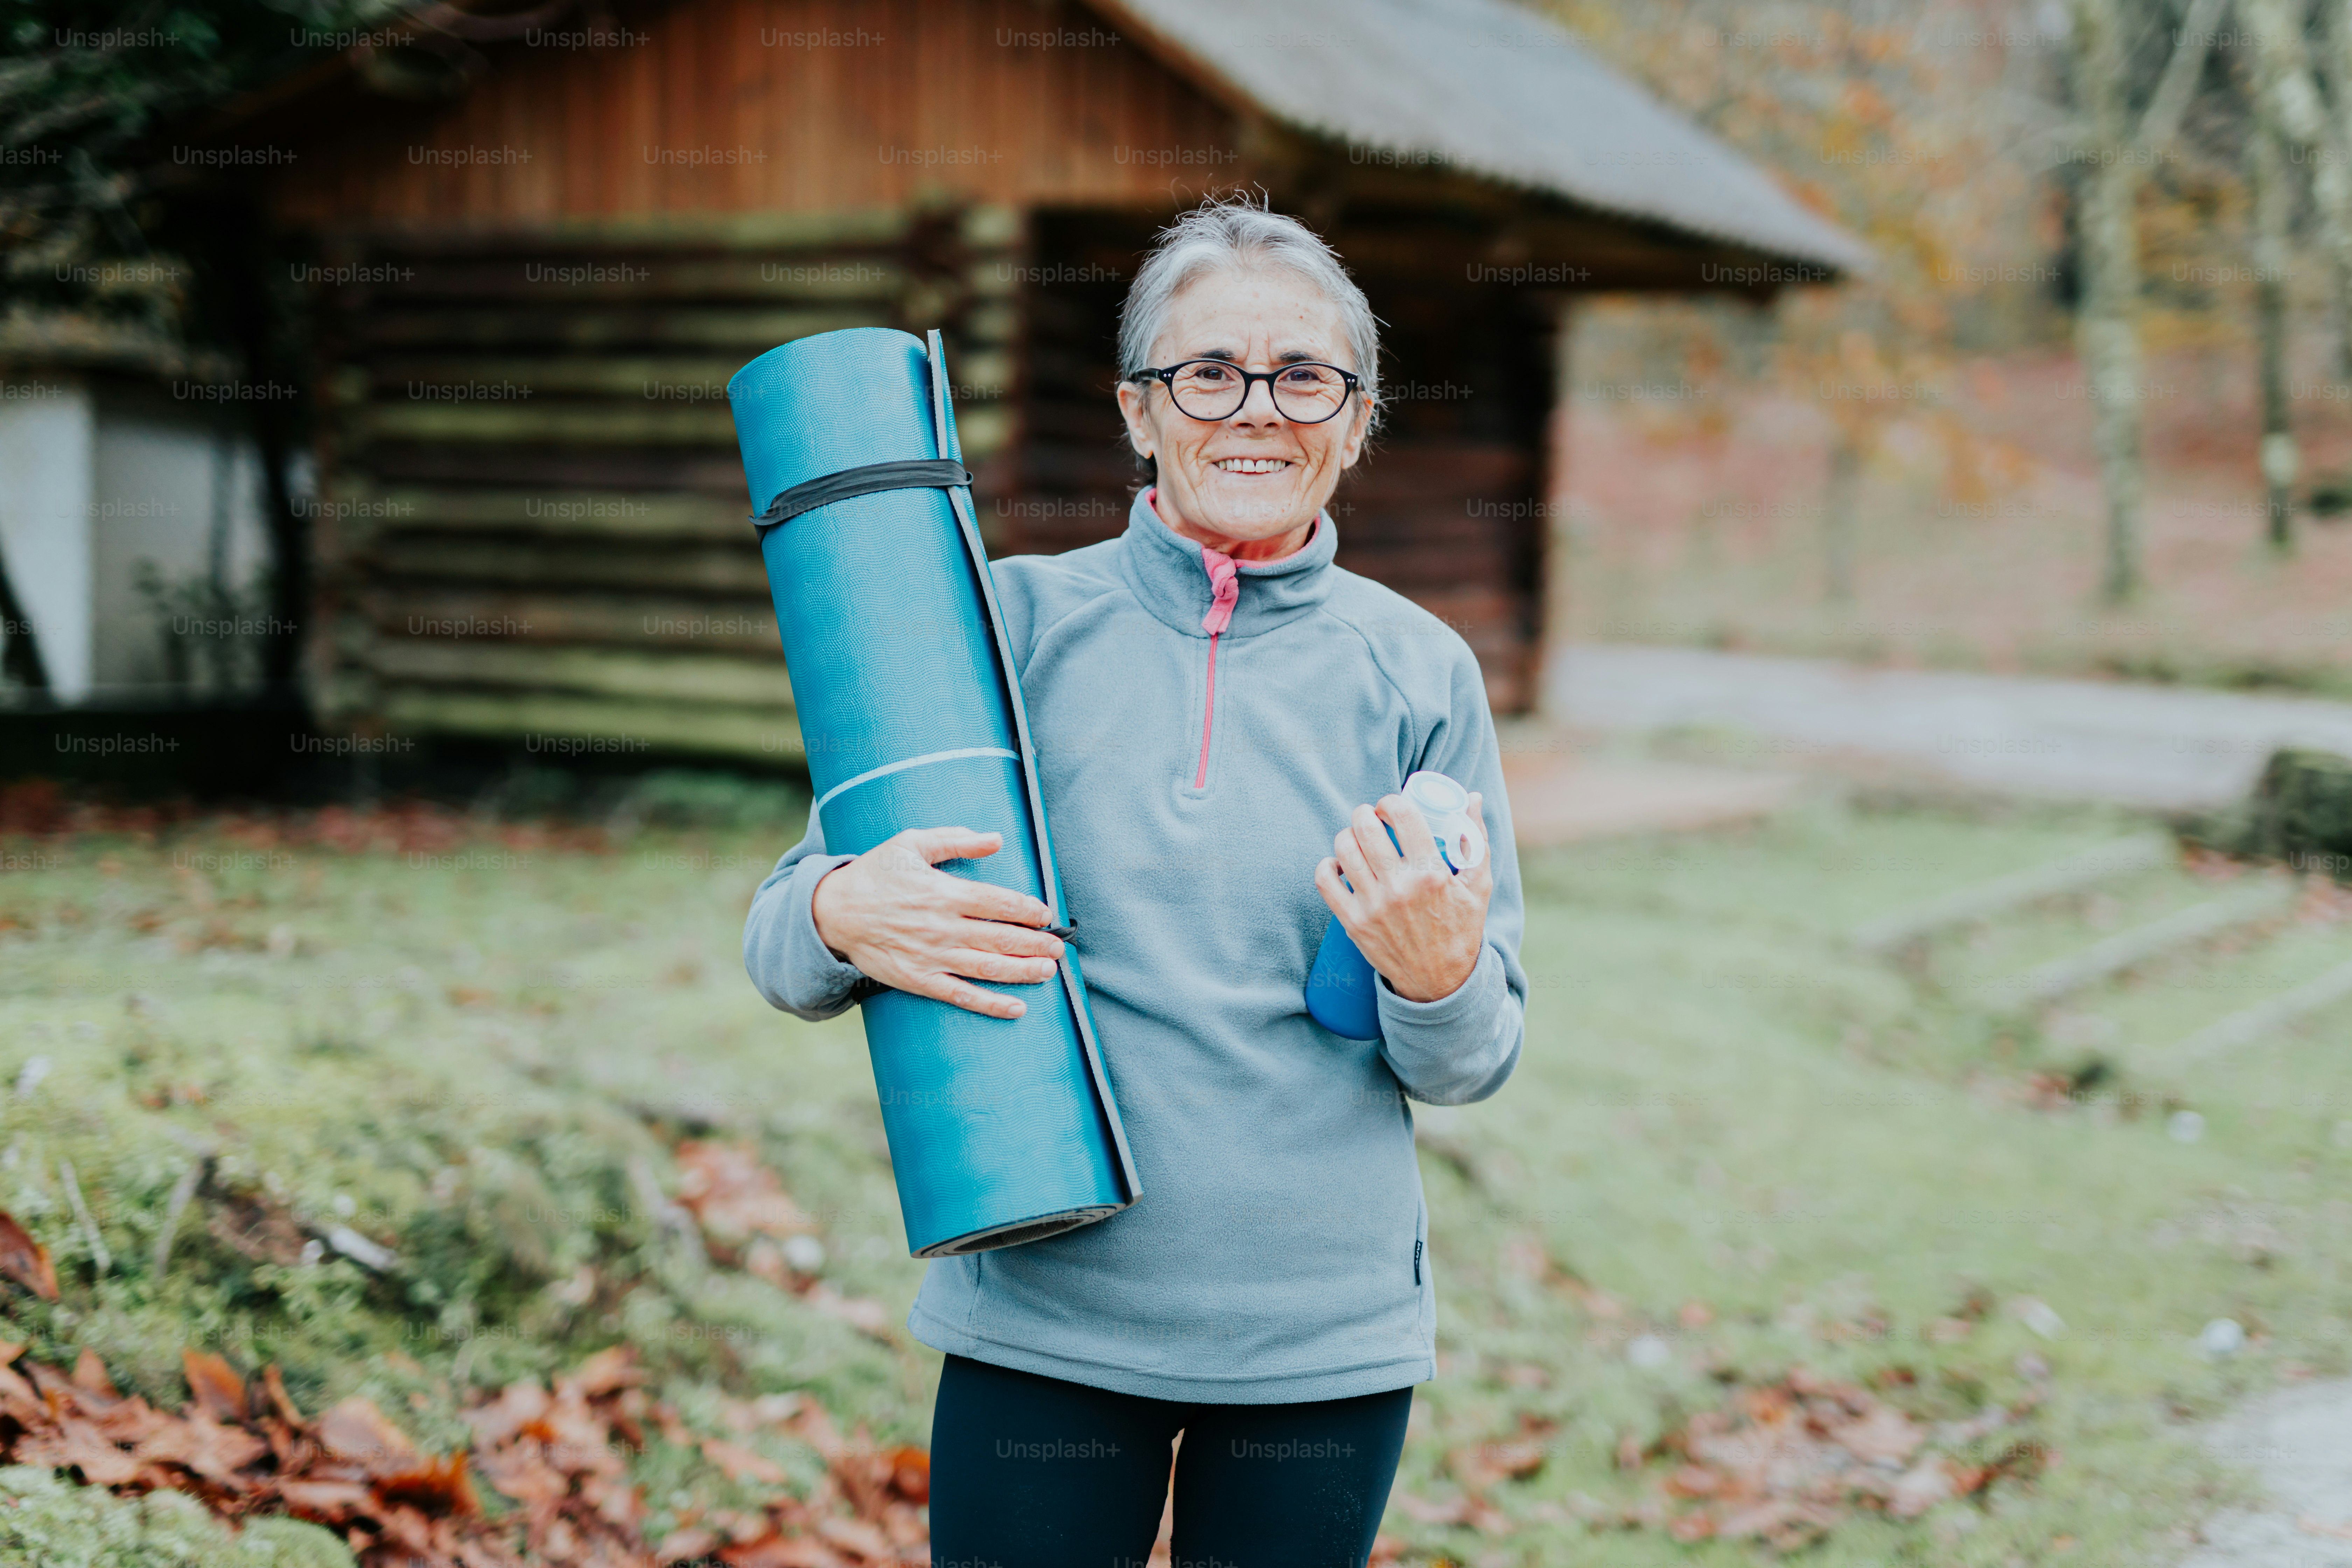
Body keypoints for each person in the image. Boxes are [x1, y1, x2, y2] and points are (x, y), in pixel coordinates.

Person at [743, 196, 1527, 1567]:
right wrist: (837, 912)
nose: (1257, 411)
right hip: (1045, 1315)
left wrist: (1436, 974)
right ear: (1139, 409)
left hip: (1319, 1342)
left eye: (1305, 377)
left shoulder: (1420, 671)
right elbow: (782, 931)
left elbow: (1473, 1058)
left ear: (1354, 422)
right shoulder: (1005, 624)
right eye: (1210, 371)